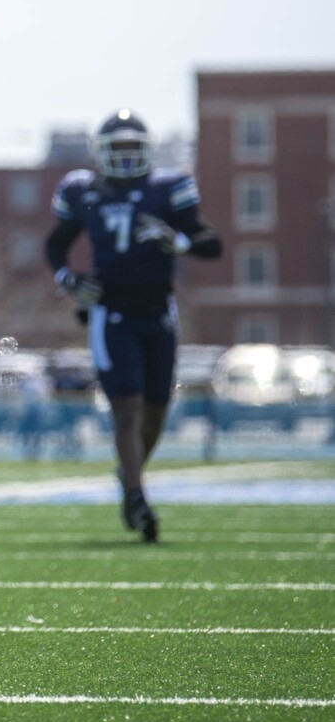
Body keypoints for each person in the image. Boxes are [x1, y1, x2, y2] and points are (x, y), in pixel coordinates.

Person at [45, 109, 222, 542]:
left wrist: (176, 240)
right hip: (110, 311)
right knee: (125, 408)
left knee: (157, 408)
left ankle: (130, 474)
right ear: (101, 153)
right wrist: (68, 279)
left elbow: (210, 243)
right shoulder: (84, 191)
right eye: (117, 149)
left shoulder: (168, 187)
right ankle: (136, 497)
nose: (124, 158)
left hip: (159, 311)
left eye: (132, 148)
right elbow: (56, 244)